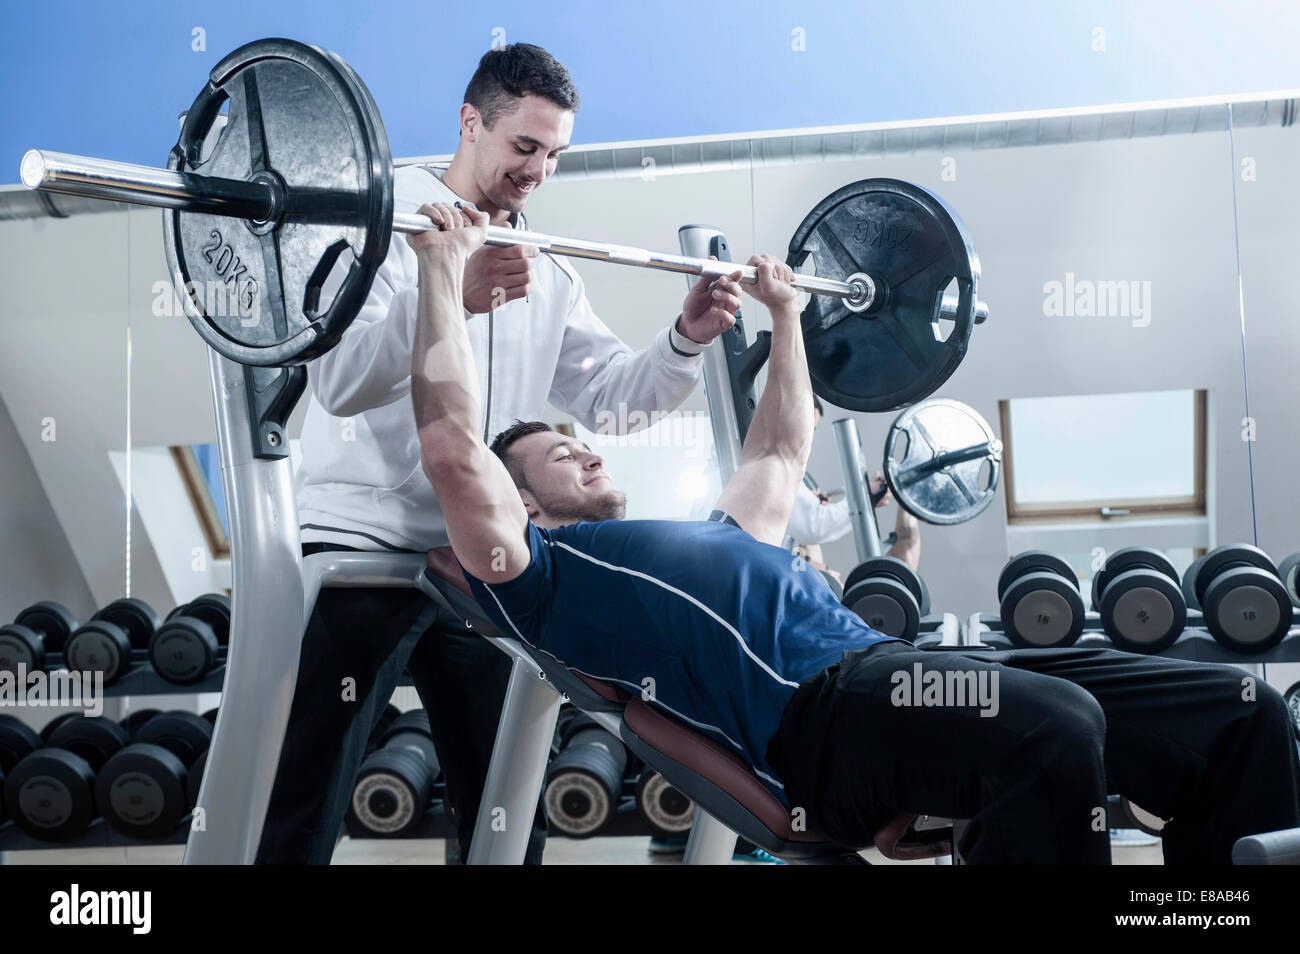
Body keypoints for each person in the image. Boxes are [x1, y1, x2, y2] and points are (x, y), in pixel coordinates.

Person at [412, 202, 1299, 863]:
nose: (585, 450)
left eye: (579, 438)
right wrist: (443, 274)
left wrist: (790, 314)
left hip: (905, 673)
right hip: (826, 718)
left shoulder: (715, 540)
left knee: (1240, 715)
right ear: (522, 503)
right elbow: (453, 448)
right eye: (556, 454)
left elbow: (783, 447)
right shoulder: (540, 576)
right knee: (1054, 725)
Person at [258, 44, 744, 864]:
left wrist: (685, 338)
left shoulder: (543, 260)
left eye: (555, 155)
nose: (539, 172)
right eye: (525, 148)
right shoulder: (382, 216)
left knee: (505, 799)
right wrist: (447, 291)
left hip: (484, 556)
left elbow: (614, 399)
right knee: (307, 790)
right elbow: (337, 382)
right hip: (363, 547)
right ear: (470, 121)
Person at [786, 396, 920, 584]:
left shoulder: (785, 467)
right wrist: (866, 497)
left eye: (812, 430)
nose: (808, 438)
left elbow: (809, 523)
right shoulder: (776, 464)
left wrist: (809, 503)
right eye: (807, 427)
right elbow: (814, 525)